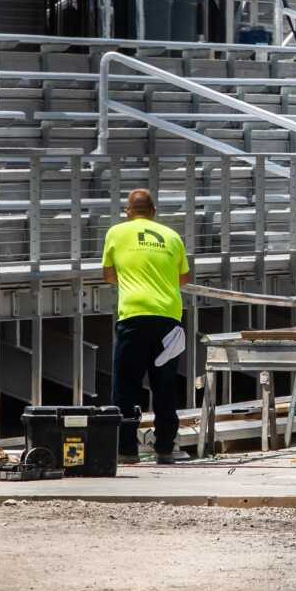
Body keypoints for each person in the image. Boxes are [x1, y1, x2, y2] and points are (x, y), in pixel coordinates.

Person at [102, 188, 191, 465]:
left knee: (126, 386)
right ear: (154, 211)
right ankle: (165, 447)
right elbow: (184, 278)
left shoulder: (116, 233)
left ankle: (127, 450)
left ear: (128, 211)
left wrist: (134, 280)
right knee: (164, 385)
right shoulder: (172, 237)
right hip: (168, 319)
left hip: (133, 316)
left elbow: (108, 275)